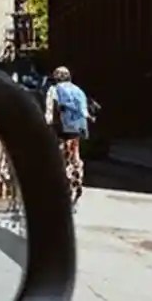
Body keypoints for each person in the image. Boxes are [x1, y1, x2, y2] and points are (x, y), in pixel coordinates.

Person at [44, 66, 94, 210]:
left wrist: (46, 126)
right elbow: (85, 112)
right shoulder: (78, 90)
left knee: (61, 158)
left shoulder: (53, 90)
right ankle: (77, 175)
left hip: (60, 130)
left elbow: (49, 112)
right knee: (75, 154)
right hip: (76, 130)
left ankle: (63, 187)